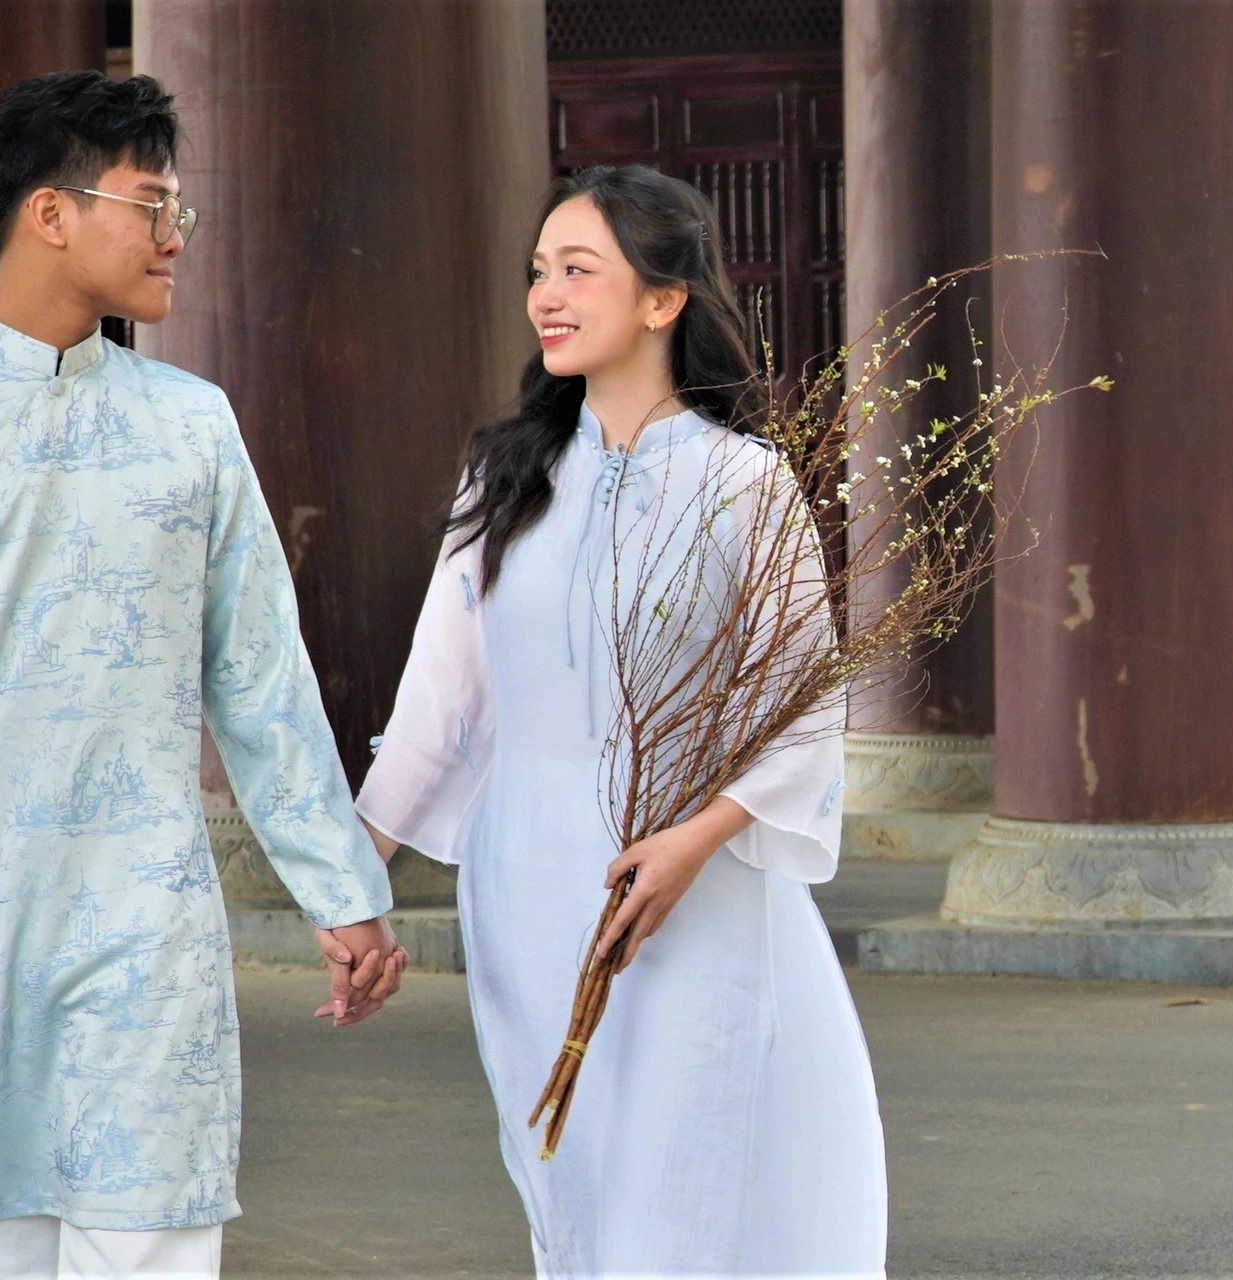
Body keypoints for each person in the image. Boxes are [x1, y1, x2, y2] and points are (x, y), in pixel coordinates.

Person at [0, 71, 405, 1280]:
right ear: (50, 214)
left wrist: (340, 884)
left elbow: (262, 678)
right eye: (151, 202)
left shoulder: (193, 426)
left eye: (181, 209)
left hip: (149, 931)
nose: (175, 236)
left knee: (154, 1239)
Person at [356, 166, 887, 1278]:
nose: (546, 294)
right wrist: (350, 881)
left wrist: (692, 843)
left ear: (664, 298)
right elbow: (439, 703)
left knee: (682, 1179)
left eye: (578, 269)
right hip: (528, 886)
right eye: (539, 271)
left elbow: (800, 705)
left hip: (696, 890)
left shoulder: (746, 485)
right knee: (570, 1178)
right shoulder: (503, 480)